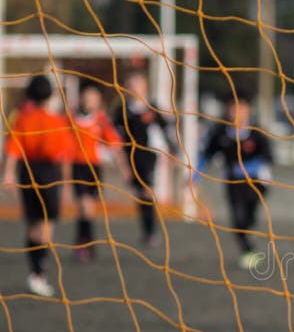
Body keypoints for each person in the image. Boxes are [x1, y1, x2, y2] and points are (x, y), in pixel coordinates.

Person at [1, 75, 73, 296]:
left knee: (33, 223)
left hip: (28, 170)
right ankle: (40, 271)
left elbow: (13, 149)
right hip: (49, 172)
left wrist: (9, 174)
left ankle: (35, 272)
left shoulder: (23, 119)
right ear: (51, 94)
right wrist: (68, 184)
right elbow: (65, 156)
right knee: (47, 224)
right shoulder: (58, 121)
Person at [193, 91, 274, 270]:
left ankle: (249, 230)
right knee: (238, 219)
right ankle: (248, 251)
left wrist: (246, 168)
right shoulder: (220, 132)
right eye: (233, 107)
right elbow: (206, 156)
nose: (236, 111)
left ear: (248, 110)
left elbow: (268, 158)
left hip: (257, 182)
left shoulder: (257, 132)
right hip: (232, 183)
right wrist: (194, 176)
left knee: (249, 217)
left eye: (241, 107)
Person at [114, 70, 176, 247]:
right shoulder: (122, 112)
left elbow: (166, 129)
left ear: (145, 86)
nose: (135, 89)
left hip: (149, 155)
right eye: (131, 86)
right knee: (141, 195)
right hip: (130, 158)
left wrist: (173, 150)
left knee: (147, 191)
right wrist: (123, 166)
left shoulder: (152, 107)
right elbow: (116, 139)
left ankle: (151, 231)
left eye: (138, 85)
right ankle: (147, 230)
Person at [71, 82, 130, 262]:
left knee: (88, 209)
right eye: (87, 97)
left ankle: (85, 242)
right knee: (84, 206)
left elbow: (116, 146)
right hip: (76, 167)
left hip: (93, 169)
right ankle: (85, 244)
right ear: (81, 98)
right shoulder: (70, 119)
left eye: (93, 98)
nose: (89, 101)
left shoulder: (101, 120)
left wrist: (125, 169)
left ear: (98, 102)